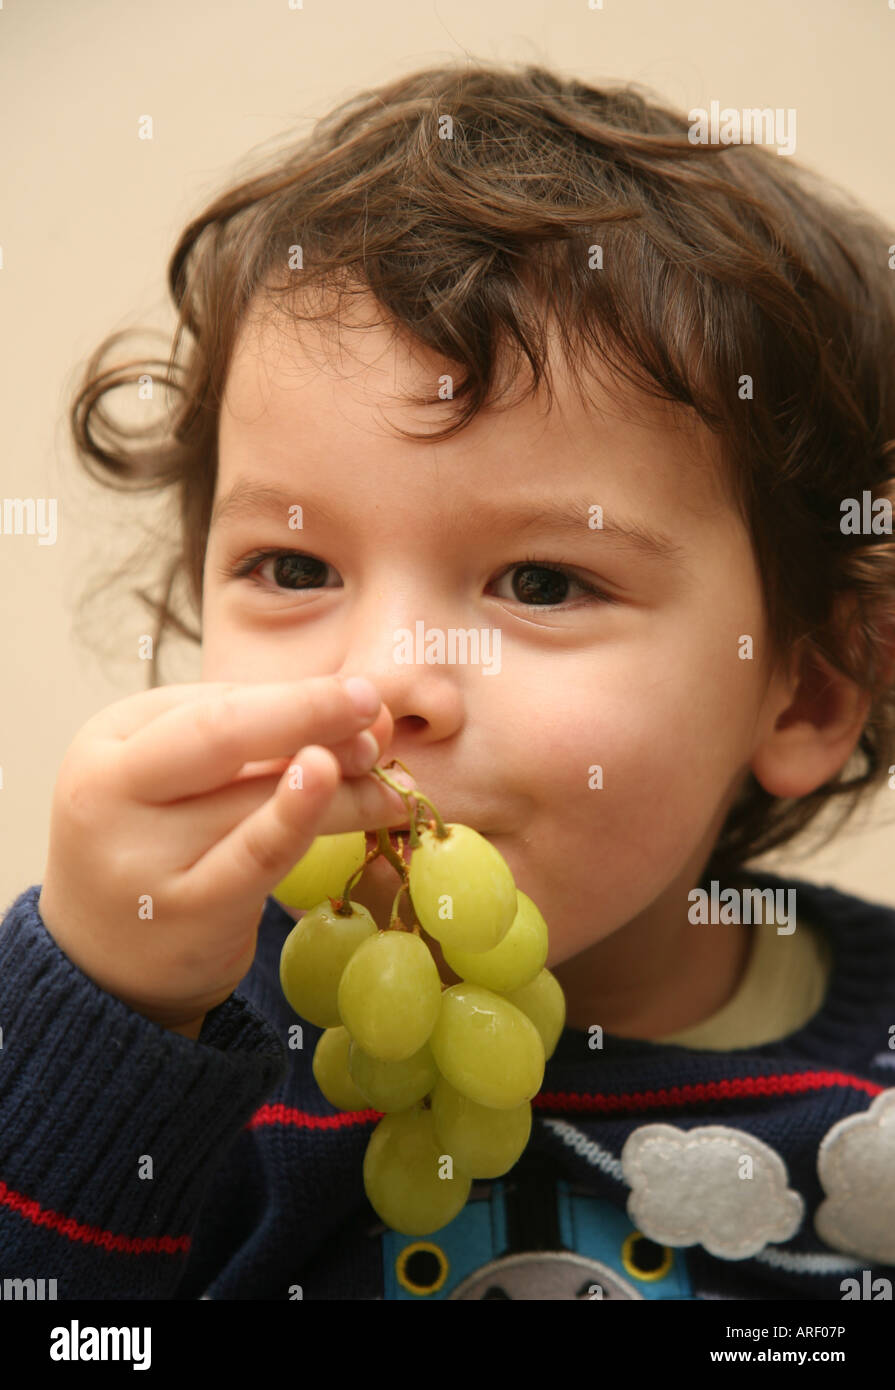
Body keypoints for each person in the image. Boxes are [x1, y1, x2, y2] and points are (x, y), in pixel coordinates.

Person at [2, 60, 894, 1301]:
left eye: (538, 583)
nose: (380, 682)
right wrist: (111, 1008)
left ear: (804, 693)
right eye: (296, 564)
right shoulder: (169, 1045)